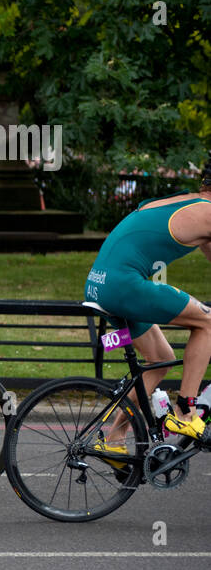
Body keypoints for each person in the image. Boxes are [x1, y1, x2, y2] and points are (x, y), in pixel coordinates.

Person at [87, 161, 211, 451]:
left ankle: (113, 439)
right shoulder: (207, 213)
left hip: (101, 283)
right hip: (123, 285)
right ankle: (185, 412)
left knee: (160, 359)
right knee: (207, 322)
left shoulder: (190, 203)